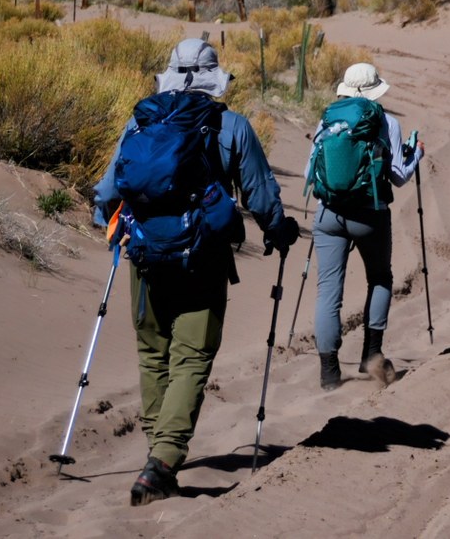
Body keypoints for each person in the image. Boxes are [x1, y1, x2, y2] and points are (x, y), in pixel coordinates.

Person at [93, 37, 297, 506]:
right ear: (213, 76)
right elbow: (260, 195)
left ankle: (157, 454)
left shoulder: (140, 120)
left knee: (153, 353)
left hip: (142, 257)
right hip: (200, 259)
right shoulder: (231, 126)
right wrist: (278, 231)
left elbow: (107, 192)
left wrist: (112, 227)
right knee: (191, 358)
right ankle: (162, 463)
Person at [307, 62, 423, 389]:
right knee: (380, 278)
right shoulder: (388, 122)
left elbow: (308, 173)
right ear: (374, 90)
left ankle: (329, 372)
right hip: (370, 213)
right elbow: (399, 176)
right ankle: (371, 355)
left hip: (329, 214)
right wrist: (416, 156)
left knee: (329, 290)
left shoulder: (327, 119)